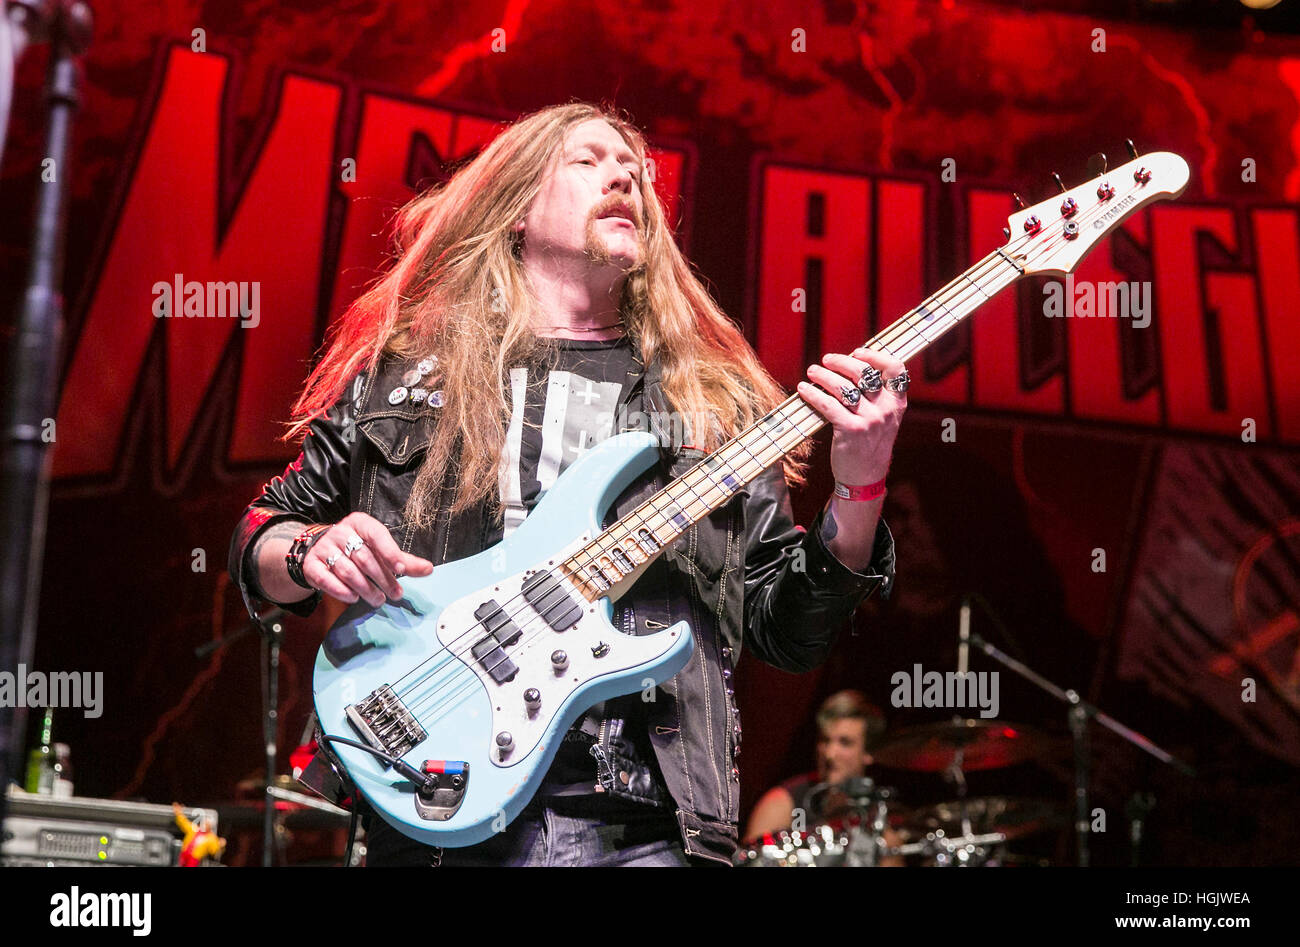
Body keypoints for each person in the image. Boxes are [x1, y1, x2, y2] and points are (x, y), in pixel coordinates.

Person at [227, 101, 907, 866]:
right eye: (588, 160)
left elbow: (790, 633)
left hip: (643, 821)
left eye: (638, 171)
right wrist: (309, 550)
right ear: (517, 207)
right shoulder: (407, 379)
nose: (625, 175)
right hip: (435, 798)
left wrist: (859, 489)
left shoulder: (712, 407)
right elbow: (264, 535)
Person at [743, 690, 887, 843]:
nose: (830, 754)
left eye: (845, 743)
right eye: (825, 740)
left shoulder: (881, 817)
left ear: (869, 751)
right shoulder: (782, 804)